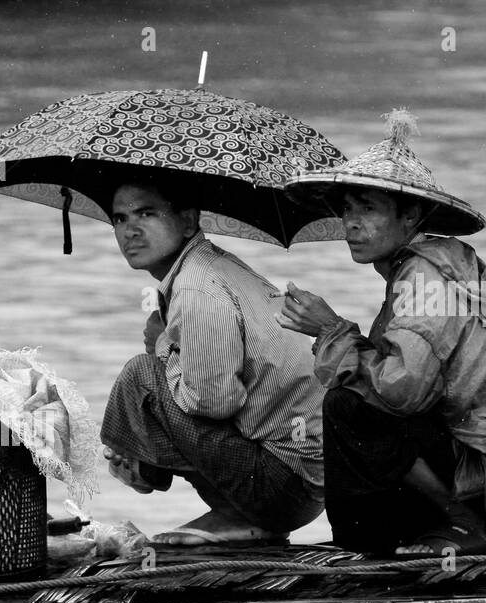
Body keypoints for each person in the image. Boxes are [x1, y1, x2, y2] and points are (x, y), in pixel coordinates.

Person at [277, 110, 486, 556]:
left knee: (350, 406)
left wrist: (330, 330)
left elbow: (402, 392)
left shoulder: (424, 276)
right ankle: (424, 526)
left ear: (411, 214)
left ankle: (466, 524)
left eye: (368, 208)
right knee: (356, 396)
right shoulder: (429, 266)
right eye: (348, 209)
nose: (351, 223)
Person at [99, 177, 325, 545]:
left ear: (188, 222)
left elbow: (215, 402)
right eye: (120, 219)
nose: (130, 231)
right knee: (153, 378)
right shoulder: (210, 267)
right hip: (303, 483)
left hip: (282, 488)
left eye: (146, 213)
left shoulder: (196, 288)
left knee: (141, 376)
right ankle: (235, 515)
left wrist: (161, 347)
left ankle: (231, 509)